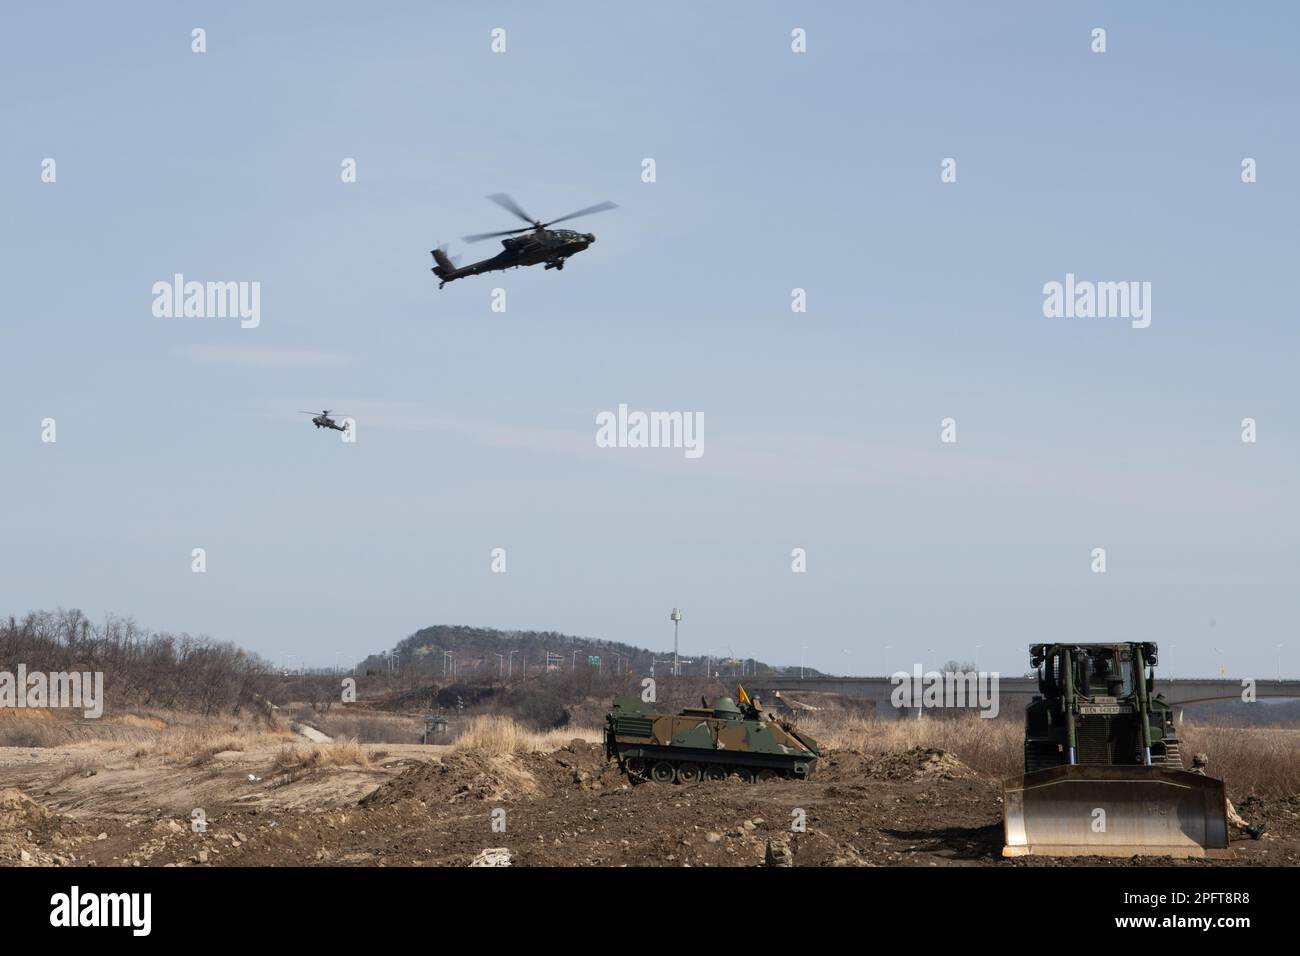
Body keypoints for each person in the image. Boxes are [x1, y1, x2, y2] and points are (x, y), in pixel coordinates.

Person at [1191, 753, 1265, 840]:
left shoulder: (1189, 773)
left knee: (1227, 805)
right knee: (1226, 810)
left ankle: (1248, 828)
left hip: (1195, 804)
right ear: (1204, 764)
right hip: (1203, 806)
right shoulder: (1199, 776)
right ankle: (1251, 829)